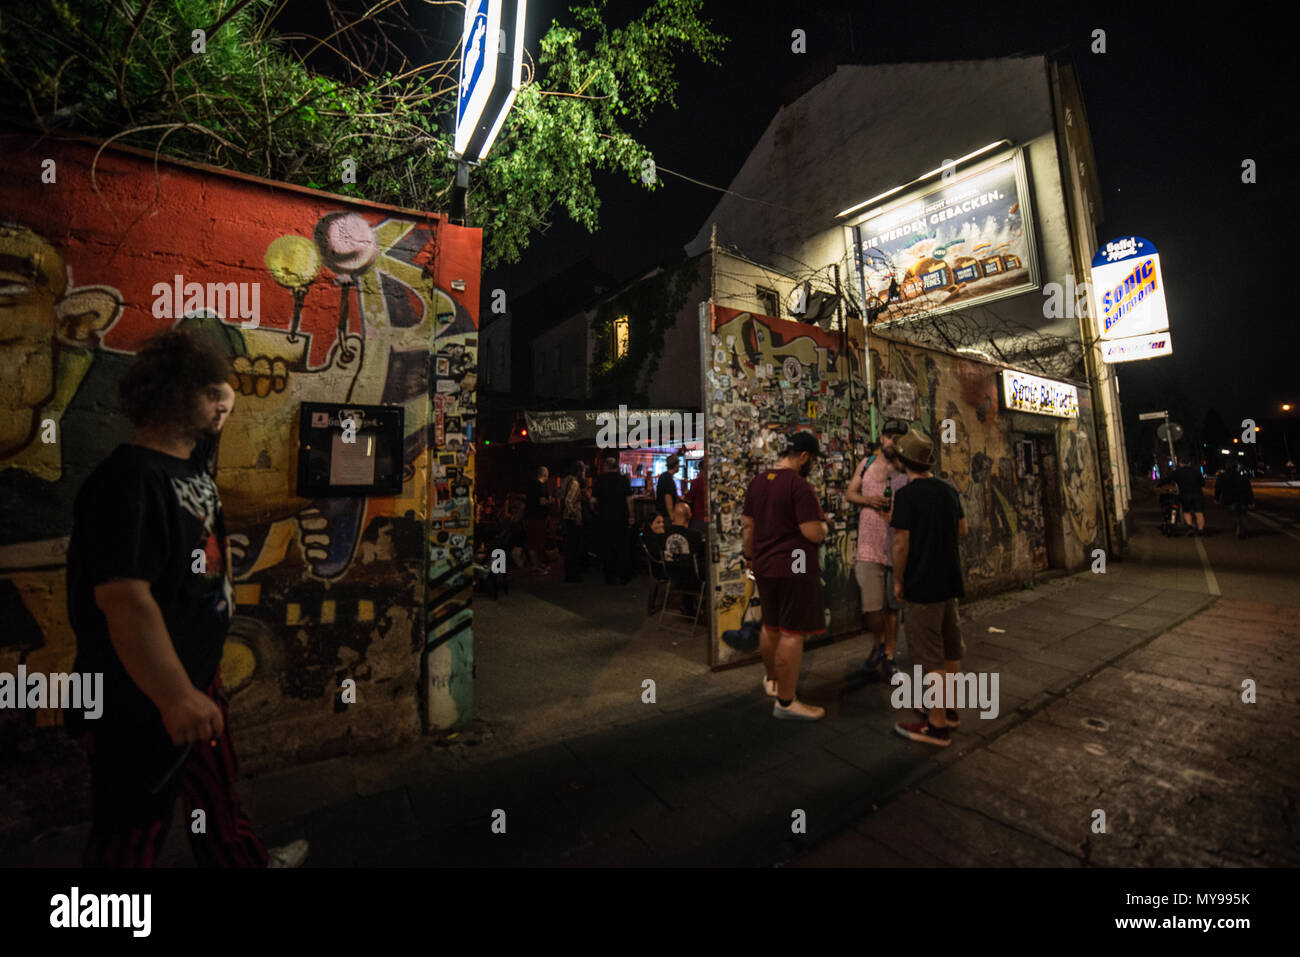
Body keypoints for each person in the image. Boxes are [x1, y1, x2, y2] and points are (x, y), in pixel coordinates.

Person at [64, 331, 307, 867]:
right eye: (210, 391)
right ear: (174, 396)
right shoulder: (127, 483)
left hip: (196, 678)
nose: (225, 400)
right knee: (130, 831)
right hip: (139, 696)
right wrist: (175, 696)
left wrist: (193, 688)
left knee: (217, 797)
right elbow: (124, 599)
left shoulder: (189, 463)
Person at [741, 431, 828, 721]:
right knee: (792, 632)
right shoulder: (799, 487)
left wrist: (750, 558)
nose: (813, 465)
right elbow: (811, 532)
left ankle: (773, 680)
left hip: (764, 565)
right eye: (813, 460)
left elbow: (748, 527)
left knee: (770, 625)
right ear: (803, 456)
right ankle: (786, 702)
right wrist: (825, 528)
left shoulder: (757, 482)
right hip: (796, 565)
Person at [889, 428, 967, 747]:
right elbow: (962, 529)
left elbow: (900, 543)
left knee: (929, 655)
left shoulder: (906, 496)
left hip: (922, 583)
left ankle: (936, 727)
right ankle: (948, 711)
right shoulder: (948, 490)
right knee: (950, 649)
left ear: (904, 461)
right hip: (949, 581)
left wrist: (898, 580)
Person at [845, 419, 909, 683]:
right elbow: (850, 493)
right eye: (889, 436)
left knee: (893, 607)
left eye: (898, 437)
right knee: (872, 606)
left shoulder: (906, 469)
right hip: (868, 547)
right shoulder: (867, 464)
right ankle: (879, 644)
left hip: (896, 546)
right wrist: (868, 500)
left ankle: (889, 655)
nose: (893, 441)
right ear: (882, 438)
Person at [592, 455, 634, 584]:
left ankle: (610, 577)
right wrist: (631, 516)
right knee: (622, 548)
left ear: (606, 466)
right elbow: (629, 500)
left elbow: (592, 501)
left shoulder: (600, 480)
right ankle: (623, 576)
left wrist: (596, 511)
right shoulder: (624, 480)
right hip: (621, 518)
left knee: (607, 548)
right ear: (617, 467)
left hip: (605, 519)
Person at [1161, 456, 1207, 535]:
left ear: (1180, 463)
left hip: (1184, 495)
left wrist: (1159, 485)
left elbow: (1167, 480)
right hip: (1197, 494)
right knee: (1199, 512)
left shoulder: (1177, 472)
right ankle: (1201, 530)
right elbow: (1203, 483)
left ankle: (1190, 527)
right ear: (1189, 463)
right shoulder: (1196, 472)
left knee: (1186, 511)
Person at [558, 461, 586, 583]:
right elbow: (568, 501)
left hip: (566, 518)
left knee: (569, 547)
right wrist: (575, 514)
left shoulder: (566, 480)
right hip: (573, 519)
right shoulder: (574, 483)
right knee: (574, 548)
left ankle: (569, 574)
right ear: (579, 471)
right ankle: (573, 575)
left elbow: (560, 495)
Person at [666, 502, 707, 579]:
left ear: (673, 515)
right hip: (692, 575)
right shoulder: (695, 535)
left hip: (670, 573)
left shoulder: (665, 534)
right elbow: (702, 554)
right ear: (690, 515)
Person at [1214, 461, 1255, 538]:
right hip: (1243, 499)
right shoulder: (1242, 476)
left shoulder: (1222, 476)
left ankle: (1238, 526)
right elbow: (1248, 489)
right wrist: (1251, 501)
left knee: (1233, 514)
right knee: (1243, 514)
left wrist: (1216, 498)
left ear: (1226, 467)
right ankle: (1243, 528)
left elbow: (1218, 488)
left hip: (1229, 499)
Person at [524, 466, 552, 573]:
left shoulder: (532, 484)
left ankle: (537, 565)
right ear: (545, 474)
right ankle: (536, 566)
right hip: (536, 518)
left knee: (535, 542)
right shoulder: (540, 486)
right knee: (536, 542)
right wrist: (551, 501)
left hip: (532, 517)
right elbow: (542, 501)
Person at [684, 456, 709, 534]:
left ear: (701, 469)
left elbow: (689, 499)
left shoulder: (696, 482)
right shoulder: (712, 482)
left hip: (698, 518)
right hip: (710, 518)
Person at [656, 454, 681, 518]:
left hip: (663, 514)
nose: (679, 466)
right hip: (666, 515)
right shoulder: (667, 478)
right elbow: (668, 497)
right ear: (676, 465)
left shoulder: (664, 476)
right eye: (678, 464)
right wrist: (672, 516)